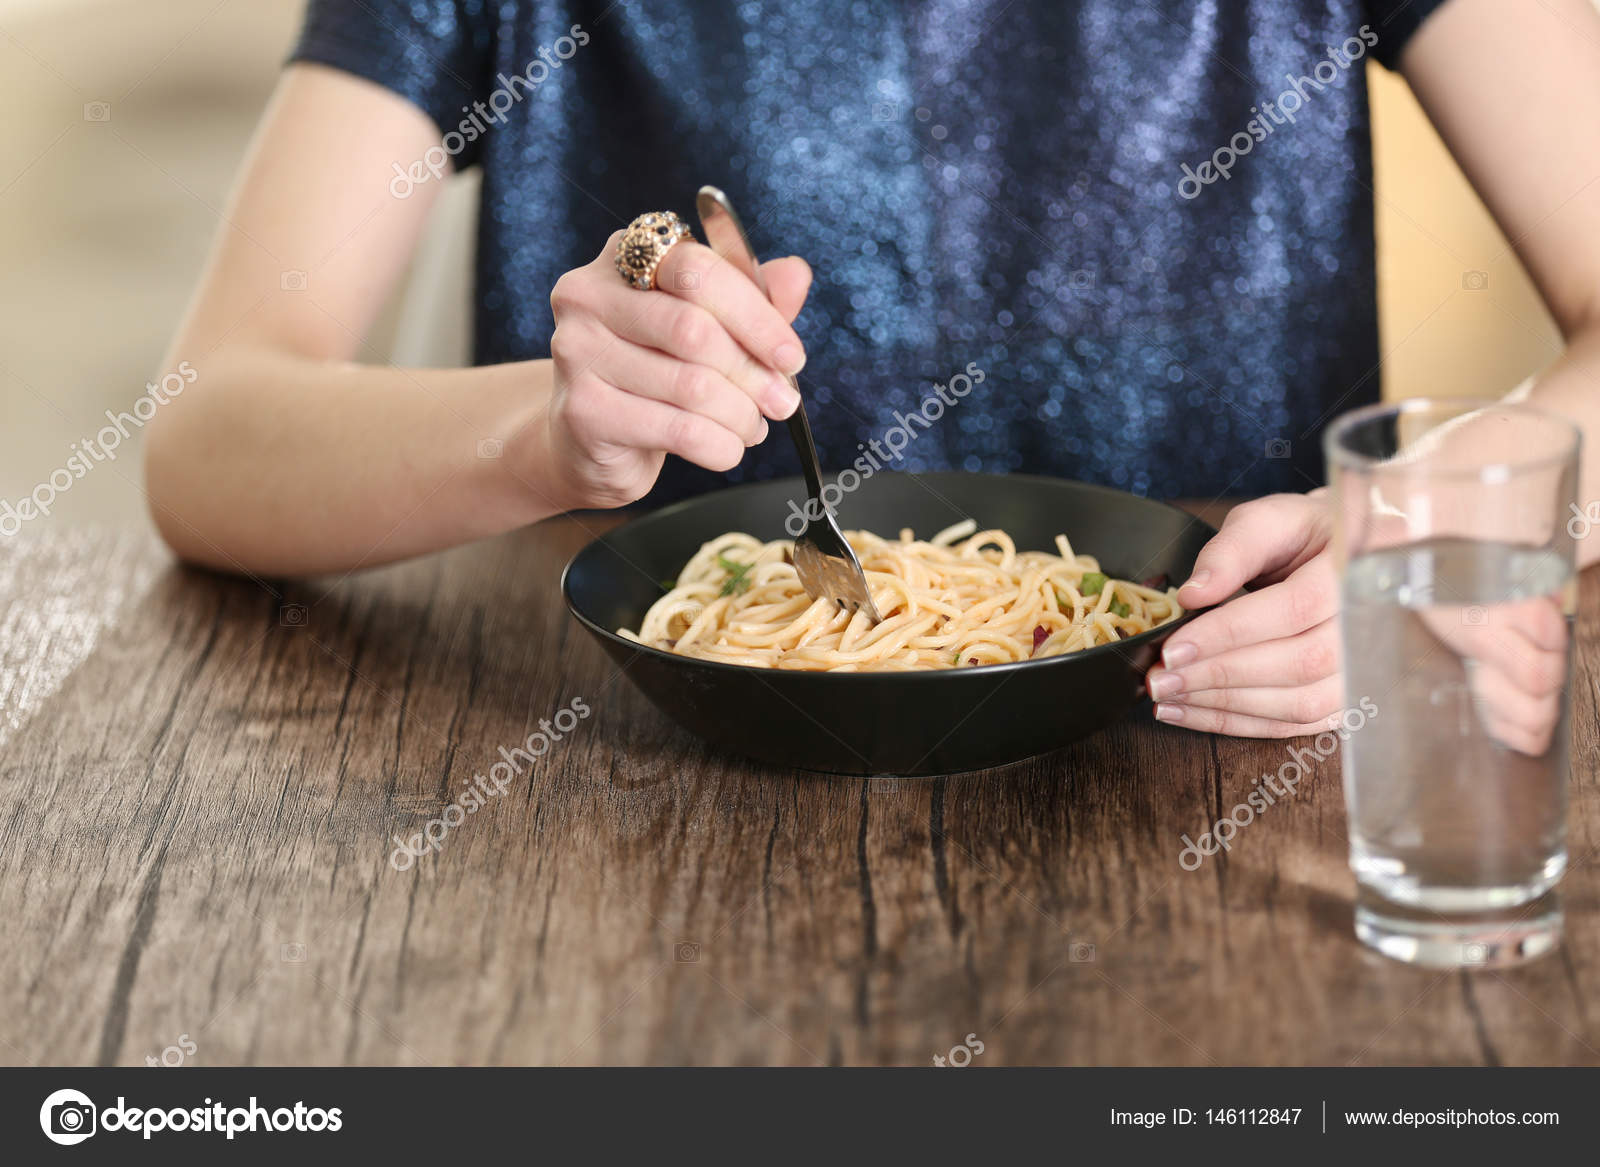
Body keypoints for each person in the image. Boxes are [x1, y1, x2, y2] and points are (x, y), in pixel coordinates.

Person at [143, 0, 1600, 738]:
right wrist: (544, 431)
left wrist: (1431, 531)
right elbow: (204, 434)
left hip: (1247, 739)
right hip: (654, 809)